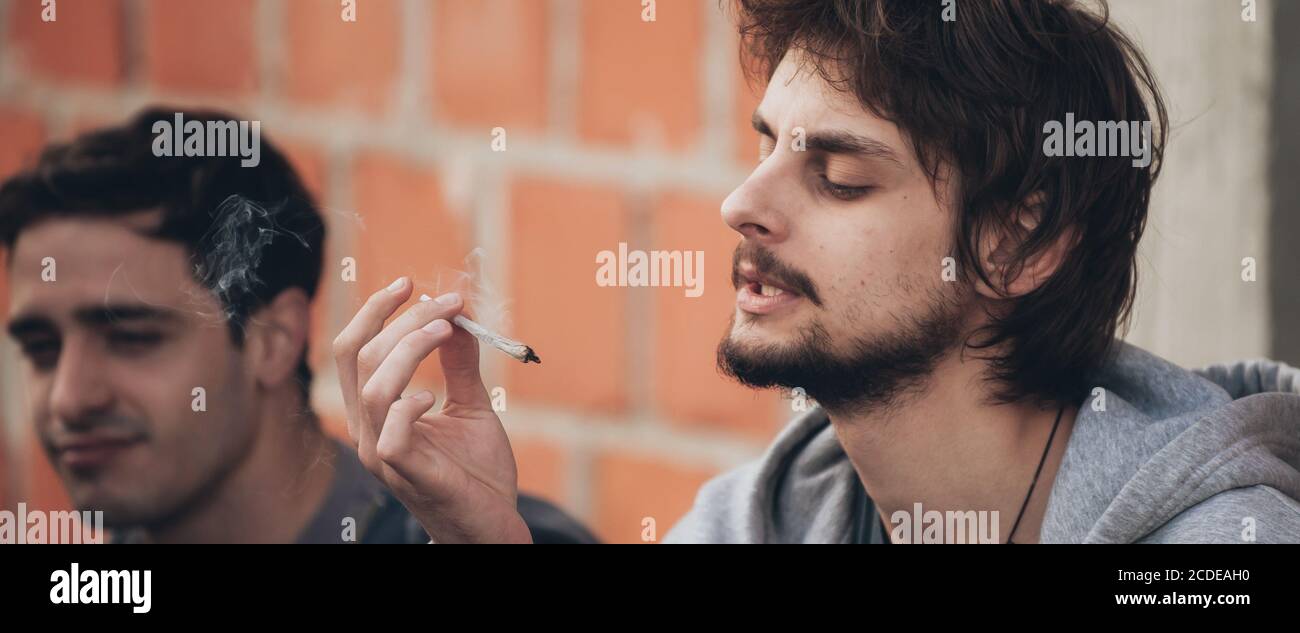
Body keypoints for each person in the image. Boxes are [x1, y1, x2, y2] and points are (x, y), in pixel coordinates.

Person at [334, 0, 1300, 544]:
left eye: (838, 177)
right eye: (763, 146)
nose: (742, 204)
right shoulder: (759, 520)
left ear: (1016, 243)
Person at [0, 107, 596, 544]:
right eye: (42, 349)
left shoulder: (485, 533)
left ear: (272, 339)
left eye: (131, 338)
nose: (69, 398)